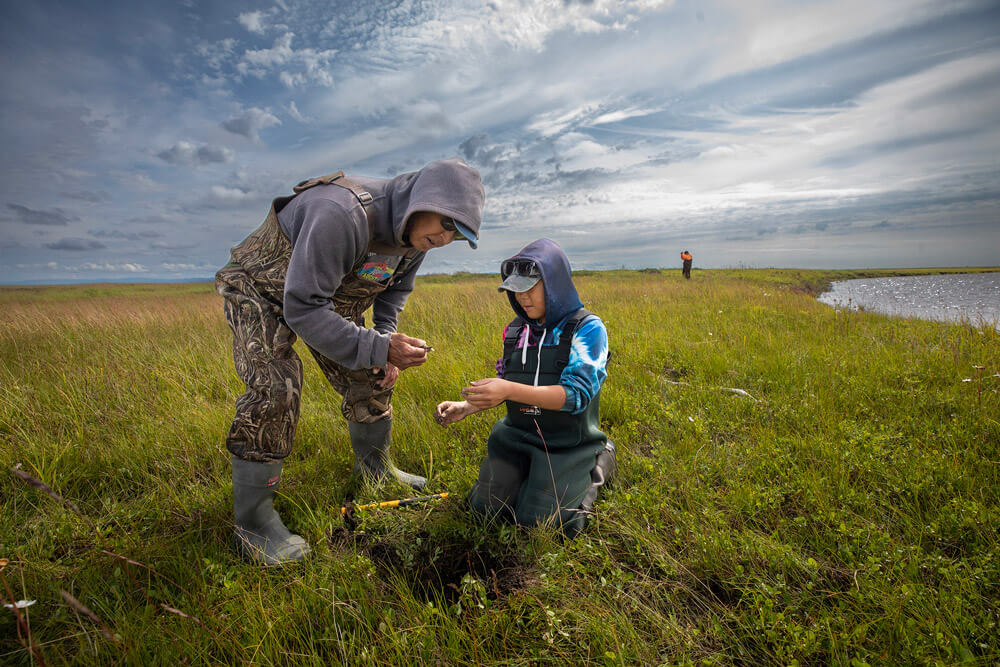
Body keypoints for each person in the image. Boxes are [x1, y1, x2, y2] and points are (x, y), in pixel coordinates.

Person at [215, 158, 485, 565]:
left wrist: (383, 339)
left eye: (457, 234)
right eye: (445, 223)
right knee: (275, 389)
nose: (445, 238)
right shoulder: (341, 214)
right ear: (420, 200)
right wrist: (381, 347)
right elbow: (303, 308)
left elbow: (393, 292)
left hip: (324, 299)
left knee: (373, 372)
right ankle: (253, 524)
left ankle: (375, 470)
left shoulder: (415, 239)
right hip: (261, 291)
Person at [435, 239, 615, 537]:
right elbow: (509, 383)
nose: (523, 298)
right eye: (516, 290)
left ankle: (601, 459)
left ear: (555, 283)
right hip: (516, 437)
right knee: (485, 510)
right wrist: (465, 407)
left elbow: (575, 396)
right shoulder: (515, 330)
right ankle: (529, 477)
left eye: (531, 288)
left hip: (566, 443)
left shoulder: (588, 329)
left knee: (542, 524)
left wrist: (507, 390)